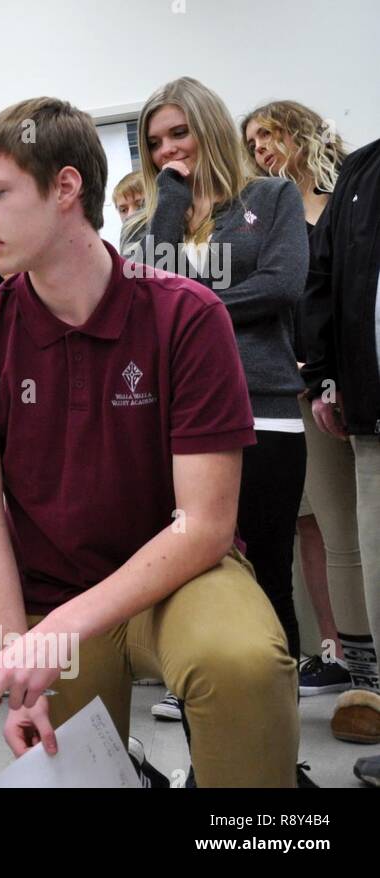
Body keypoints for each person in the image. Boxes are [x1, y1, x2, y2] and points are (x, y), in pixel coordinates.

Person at [0, 96, 298, 786]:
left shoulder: (186, 315)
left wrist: (63, 627)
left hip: (180, 577)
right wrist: (19, 659)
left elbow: (205, 527)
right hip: (47, 590)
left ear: (66, 187)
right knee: (68, 757)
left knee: (242, 663)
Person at [126, 78, 309, 724]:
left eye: (180, 133)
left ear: (208, 127)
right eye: (155, 143)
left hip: (264, 412)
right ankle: (214, 730)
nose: (168, 149)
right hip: (176, 424)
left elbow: (283, 284)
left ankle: (273, 745)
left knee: (266, 576)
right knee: (195, 574)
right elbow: (144, 297)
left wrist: (192, 310)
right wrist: (171, 200)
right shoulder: (150, 221)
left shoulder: (271, 195)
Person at [242, 100, 359, 700]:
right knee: (316, 523)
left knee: (363, 523)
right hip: (301, 389)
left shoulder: (350, 194)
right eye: (253, 141)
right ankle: (339, 651)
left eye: (269, 134)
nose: (261, 147)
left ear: (299, 130)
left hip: (354, 378)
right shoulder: (265, 211)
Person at [300, 133, 380, 749]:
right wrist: (327, 376)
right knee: (358, 541)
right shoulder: (363, 172)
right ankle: (365, 676)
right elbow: (321, 286)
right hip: (359, 398)